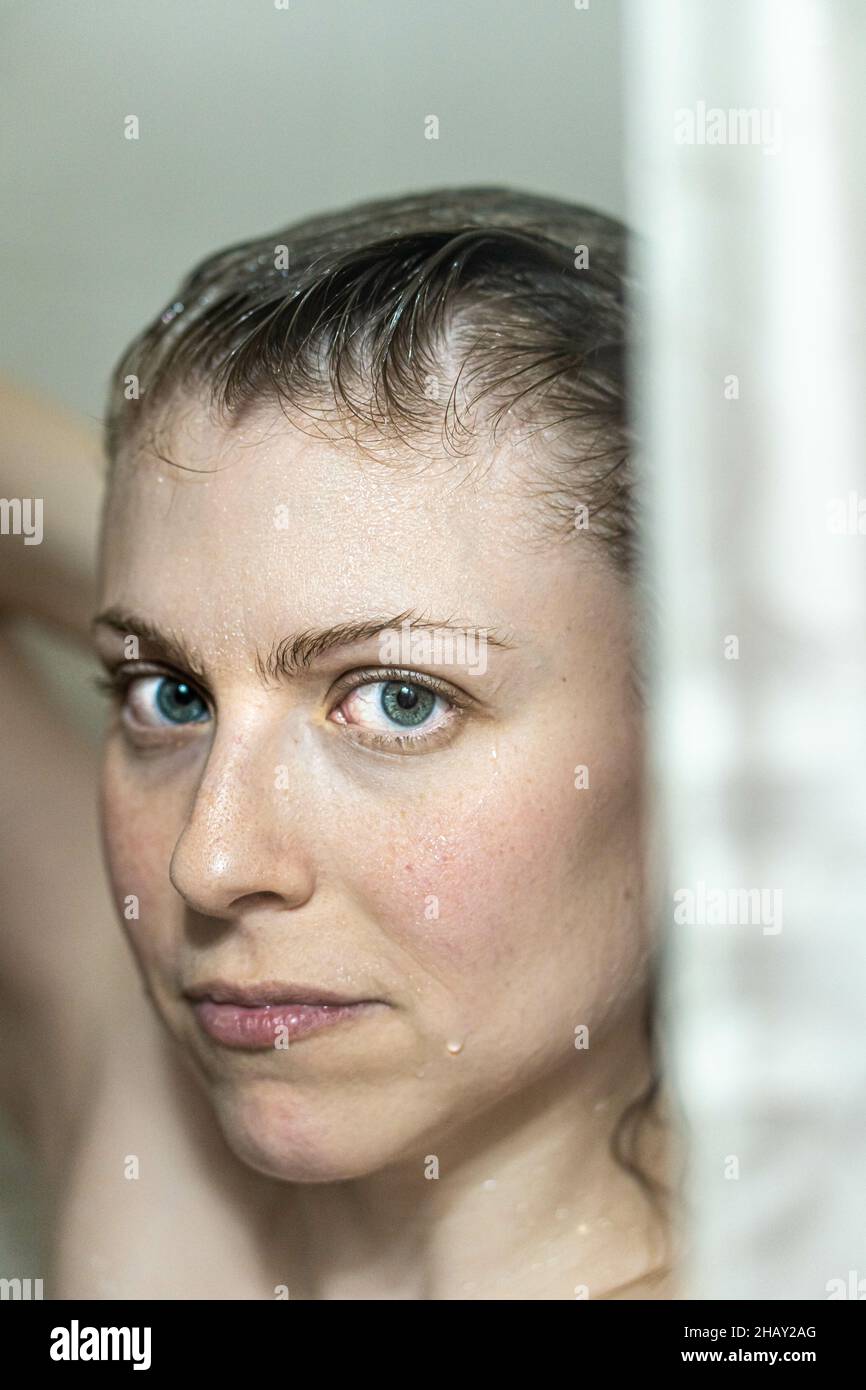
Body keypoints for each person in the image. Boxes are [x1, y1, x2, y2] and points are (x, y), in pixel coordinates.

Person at [0, 186, 682, 1299]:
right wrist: (200, 559)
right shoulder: (142, 1110)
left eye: (400, 701)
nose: (209, 864)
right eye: (167, 695)